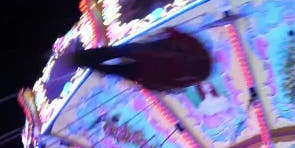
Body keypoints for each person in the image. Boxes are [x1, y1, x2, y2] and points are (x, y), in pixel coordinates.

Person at [67, 27, 212, 92]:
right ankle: (83, 61)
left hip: (153, 59)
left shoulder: (200, 63)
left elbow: (186, 43)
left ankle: (82, 58)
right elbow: (170, 84)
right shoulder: (192, 76)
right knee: (116, 68)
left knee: (118, 53)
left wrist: (173, 33)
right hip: (149, 72)